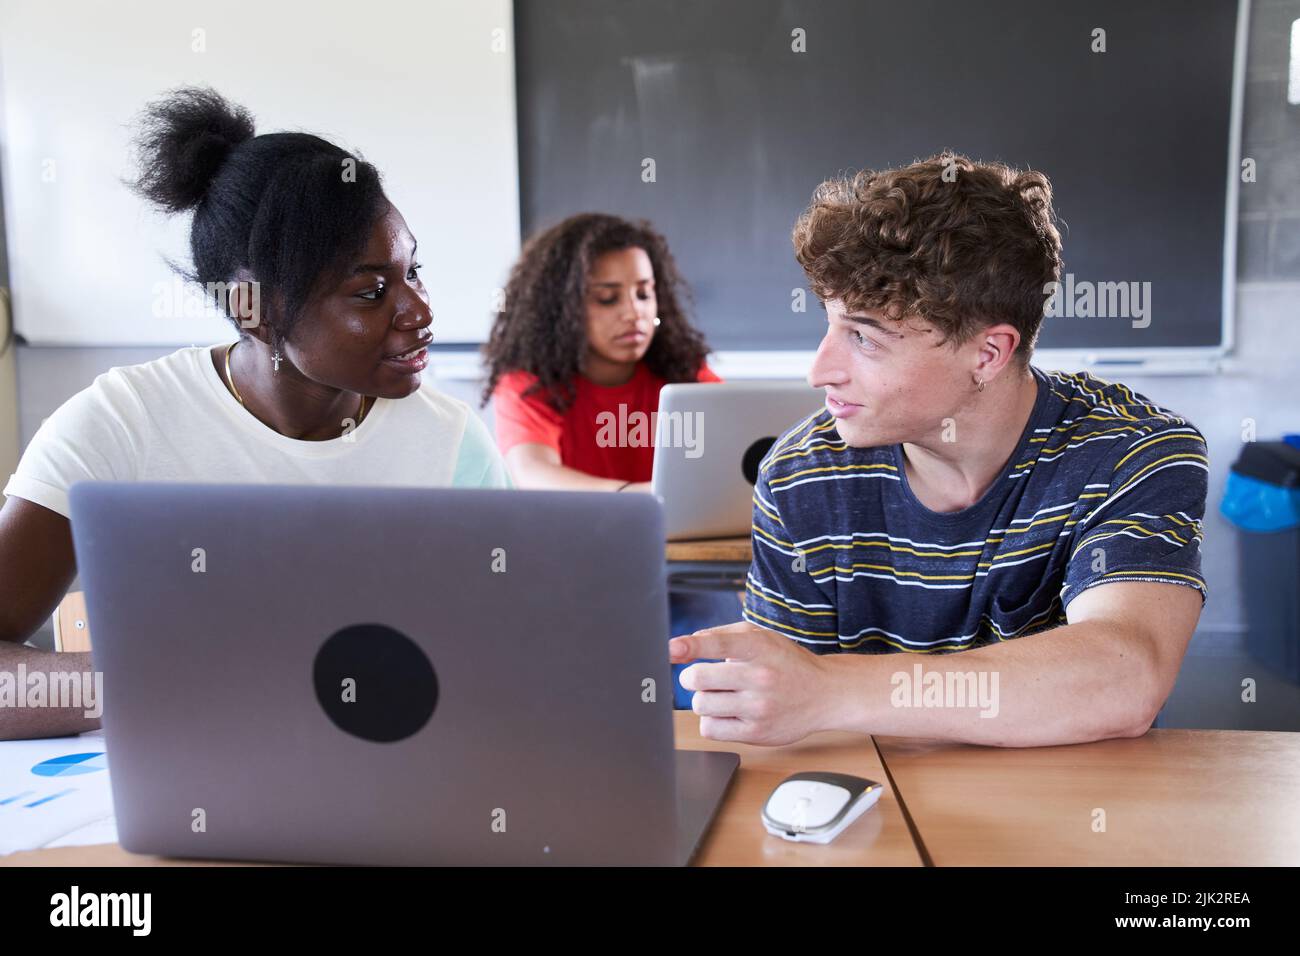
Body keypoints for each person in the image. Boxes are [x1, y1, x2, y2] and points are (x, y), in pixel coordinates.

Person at [0, 88, 508, 741]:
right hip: (177, 794)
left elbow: (506, 653)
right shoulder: (119, 424)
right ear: (255, 310)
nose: (420, 310)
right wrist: (157, 682)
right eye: (373, 290)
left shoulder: (452, 442)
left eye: (415, 272)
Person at [670, 153, 1208, 748]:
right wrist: (793, 693)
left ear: (987, 354)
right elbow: (782, 716)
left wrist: (831, 689)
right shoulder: (802, 474)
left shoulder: (1132, 453)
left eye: (865, 338)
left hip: (1074, 813)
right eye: (828, 325)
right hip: (878, 809)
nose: (819, 370)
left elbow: (1124, 678)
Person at [482, 213, 733, 705]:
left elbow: (731, 469)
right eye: (607, 297)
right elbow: (531, 472)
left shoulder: (684, 374)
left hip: (681, 572)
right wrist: (640, 499)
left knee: (718, 684)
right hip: (572, 574)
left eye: (644, 292)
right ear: (564, 307)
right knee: (579, 701)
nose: (634, 313)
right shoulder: (529, 383)